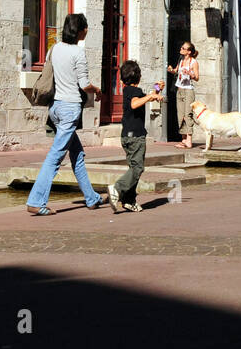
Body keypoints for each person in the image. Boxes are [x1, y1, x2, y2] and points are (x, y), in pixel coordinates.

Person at [26, 13, 107, 215]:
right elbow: (83, 84)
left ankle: (91, 198)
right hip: (70, 108)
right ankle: (36, 201)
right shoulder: (78, 53)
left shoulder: (54, 49)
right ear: (79, 30)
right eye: (85, 27)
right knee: (55, 156)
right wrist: (97, 90)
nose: (87, 30)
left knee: (77, 154)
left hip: (55, 108)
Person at [108, 59, 163, 213]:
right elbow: (135, 103)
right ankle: (117, 188)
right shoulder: (135, 93)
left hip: (126, 136)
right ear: (138, 76)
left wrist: (157, 90)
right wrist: (151, 97)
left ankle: (128, 200)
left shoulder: (127, 90)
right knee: (138, 168)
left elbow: (145, 97)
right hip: (135, 137)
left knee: (133, 168)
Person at [168, 41, 199, 149]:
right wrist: (171, 70)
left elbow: (197, 77)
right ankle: (183, 140)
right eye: (181, 47)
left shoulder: (193, 62)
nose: (181, 49)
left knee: (188, 114)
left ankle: (189, 140)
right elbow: (176, 71)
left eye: (183, 48)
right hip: (179, 90)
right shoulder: (180, 60)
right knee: (180, 115)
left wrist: (191, 74)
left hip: (188, 91)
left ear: (189, 52)